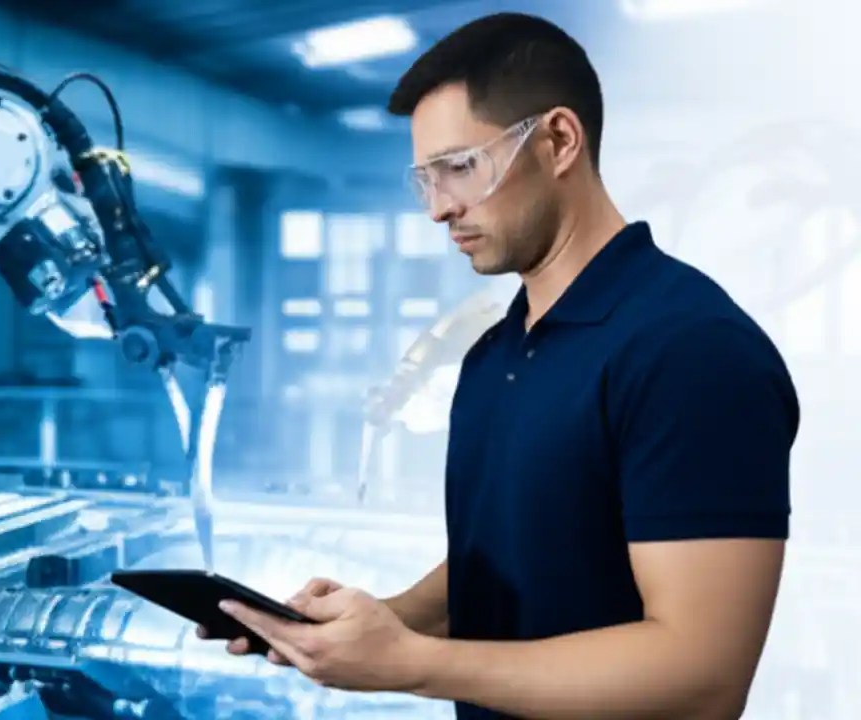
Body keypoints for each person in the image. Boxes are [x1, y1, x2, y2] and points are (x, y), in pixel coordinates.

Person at [201, 11, 798, 719]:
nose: (438, 209)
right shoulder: (494, 354)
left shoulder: (691, 350)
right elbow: (513, 558)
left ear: (559, 140)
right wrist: (375, 625)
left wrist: (412, 664)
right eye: (424, 179)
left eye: (459, 168)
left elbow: (703, 672)